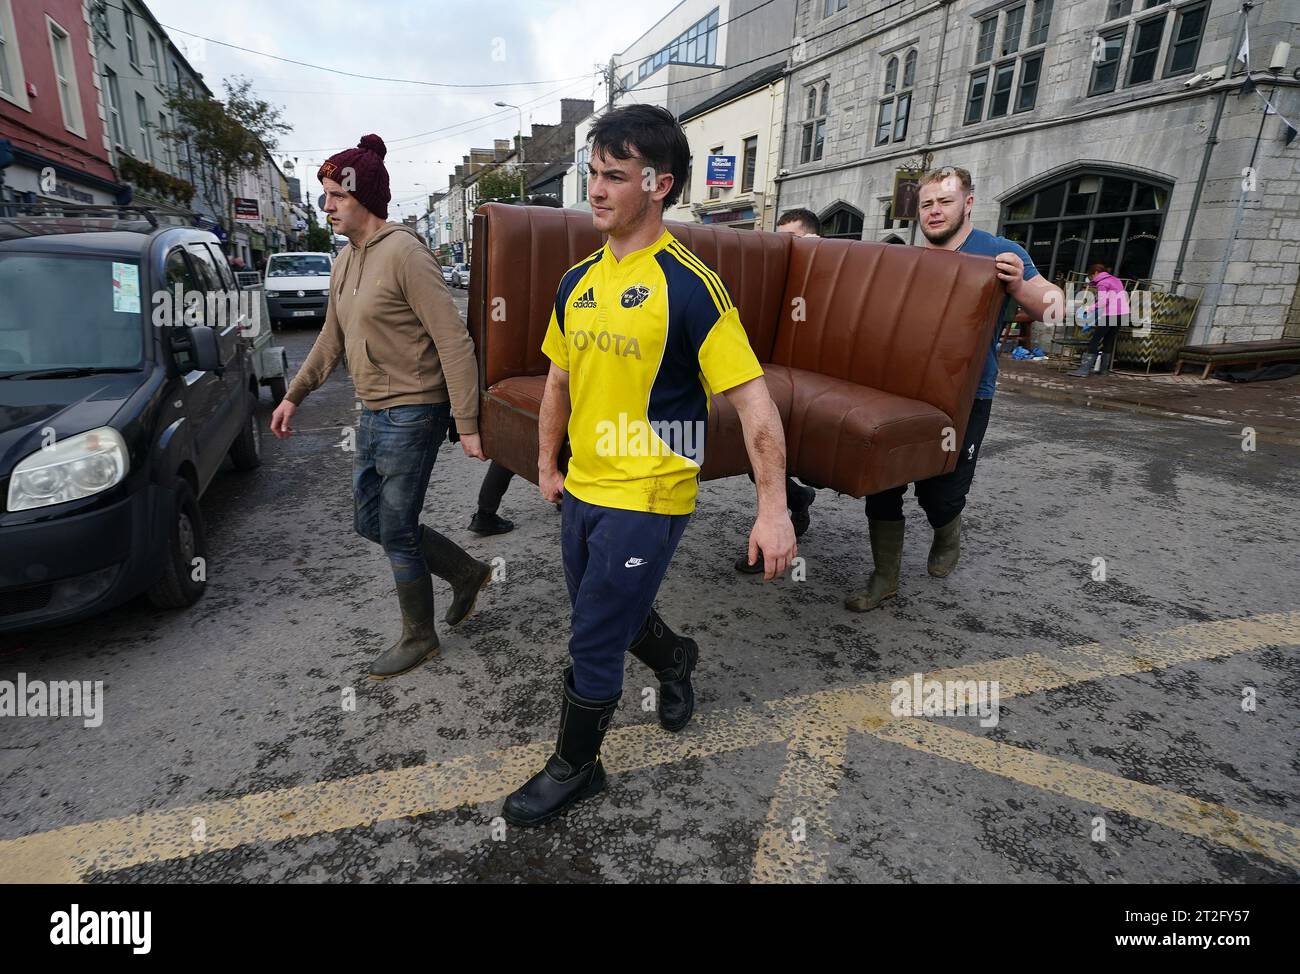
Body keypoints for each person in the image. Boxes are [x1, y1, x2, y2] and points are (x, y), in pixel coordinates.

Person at [501, 104, 797, 826]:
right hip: (586, 486)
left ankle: (576, 766)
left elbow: (756, 404)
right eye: (592, 175)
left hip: (654, 487)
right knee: (606, 611)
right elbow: (560, 385)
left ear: (659, 185)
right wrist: (546, 464)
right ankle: (675, 659)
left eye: (614, 176)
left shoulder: (691, 285)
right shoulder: (577, 282)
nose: (596, 191)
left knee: (593, 633)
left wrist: (773, 508)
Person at [269, 134, 491, 679]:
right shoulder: (346, 261)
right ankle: (465, 572)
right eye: (324, 196)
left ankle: (420, 635)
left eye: (335, 196)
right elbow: (330, 339)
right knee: (370, 520)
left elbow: (453, 340)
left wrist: (466, 422)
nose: (327, 207)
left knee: (395, 524)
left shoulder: (405, 253)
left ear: (362, 195)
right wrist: (293, 394)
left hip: (415, 409)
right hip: (373, 410)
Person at [847, 166, 1063, 612]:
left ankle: (948, 530)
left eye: (945, 201)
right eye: (926, 204)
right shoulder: (903, 258)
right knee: (883, 482)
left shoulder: (1001, 252)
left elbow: (1055, 309)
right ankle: (884, 576)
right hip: (896, 391)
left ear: (968, 203)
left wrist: (1020, 284)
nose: (934, 211)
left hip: (966, 396)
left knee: (940, 491)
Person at [732, 208, 821, 574]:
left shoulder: (829, 273)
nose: (788, 249)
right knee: (760, 464)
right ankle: (788, 511)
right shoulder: (775, 276)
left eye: (795, 241)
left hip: (817, 377)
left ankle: (778, 533)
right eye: (780, 240)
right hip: (778, 375)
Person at [1069, 262, 1130, 377]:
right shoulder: (1116, 280)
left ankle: (1084, 370)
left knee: (1095, 340)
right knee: (1108, 340)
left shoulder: (1102, 283)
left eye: (1091, 276)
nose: (1092, 279)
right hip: (1123, 314)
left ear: (1096, 273)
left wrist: (1089, 309)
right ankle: (1103, 371)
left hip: (1111, 314)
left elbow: (1102, 302)